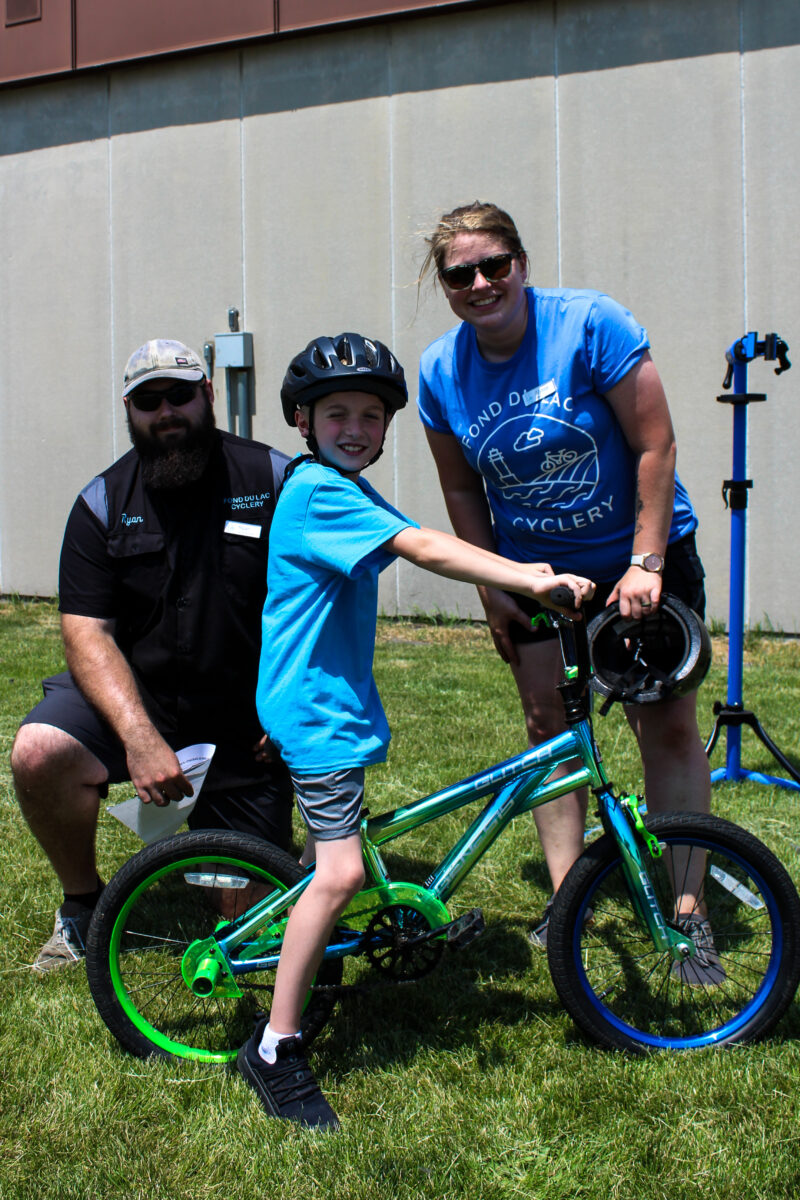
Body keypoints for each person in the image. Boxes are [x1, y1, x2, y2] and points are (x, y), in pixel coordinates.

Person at [234, 331, 594, 1130]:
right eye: (337, 413)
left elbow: (430, 537)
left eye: (372, 415)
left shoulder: (345, 488)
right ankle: (276, 1048)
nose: (356, 428)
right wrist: (527, 577)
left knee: (325, 864)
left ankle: (304, 966)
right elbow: (424, 547)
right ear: (302, 421)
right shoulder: (319, 492)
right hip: (317, 715)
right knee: (340, 875)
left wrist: (517, 585)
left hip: (325, 705)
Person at [417, 201, 711, 949]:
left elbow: (655, 444)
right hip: (537, 573)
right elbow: (462, 490)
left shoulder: (591, 324)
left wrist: (645, 563)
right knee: (549, 727)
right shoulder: (440, 370)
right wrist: (496, 590)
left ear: (521, 264)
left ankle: (688, 910)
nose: (480, 283)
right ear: (444, 285)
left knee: (664, 725)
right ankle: (566, 902)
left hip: (638, 555)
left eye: (494, 265)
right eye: (460, 275)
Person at [11, 339, 294, 973]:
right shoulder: (101, 503)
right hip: (135, 704)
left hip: (243, 723)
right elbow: (87, 633)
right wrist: (138, 737)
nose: (166, 411)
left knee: (248, 926)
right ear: (129, 410)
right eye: (148, 401)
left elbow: (319, 601)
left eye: (179, 395)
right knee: (40, 751)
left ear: (208, 394)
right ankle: (83, 906)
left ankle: (239, 842)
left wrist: (289, 707)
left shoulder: (274, 481)